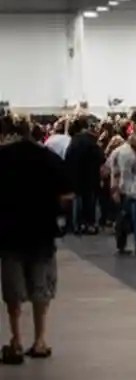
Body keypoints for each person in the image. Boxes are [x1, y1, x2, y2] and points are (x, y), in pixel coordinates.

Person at [0, 112, 72, 365]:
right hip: (42, 232)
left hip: (9, 233)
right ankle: (40, 340)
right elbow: (67, 195)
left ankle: (16, 340)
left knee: (13, 291)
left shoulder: (3, 158)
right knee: (41, 288)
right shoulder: (48, 157)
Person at [63, 116, 104, 235]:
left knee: (77, 201)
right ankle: (89, 224)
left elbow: (68, 158)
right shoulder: (90, 140)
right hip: (90, 176)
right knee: (89, 202)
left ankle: (76, 224)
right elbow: (100, 157)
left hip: (75, 176)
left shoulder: (73, 141)